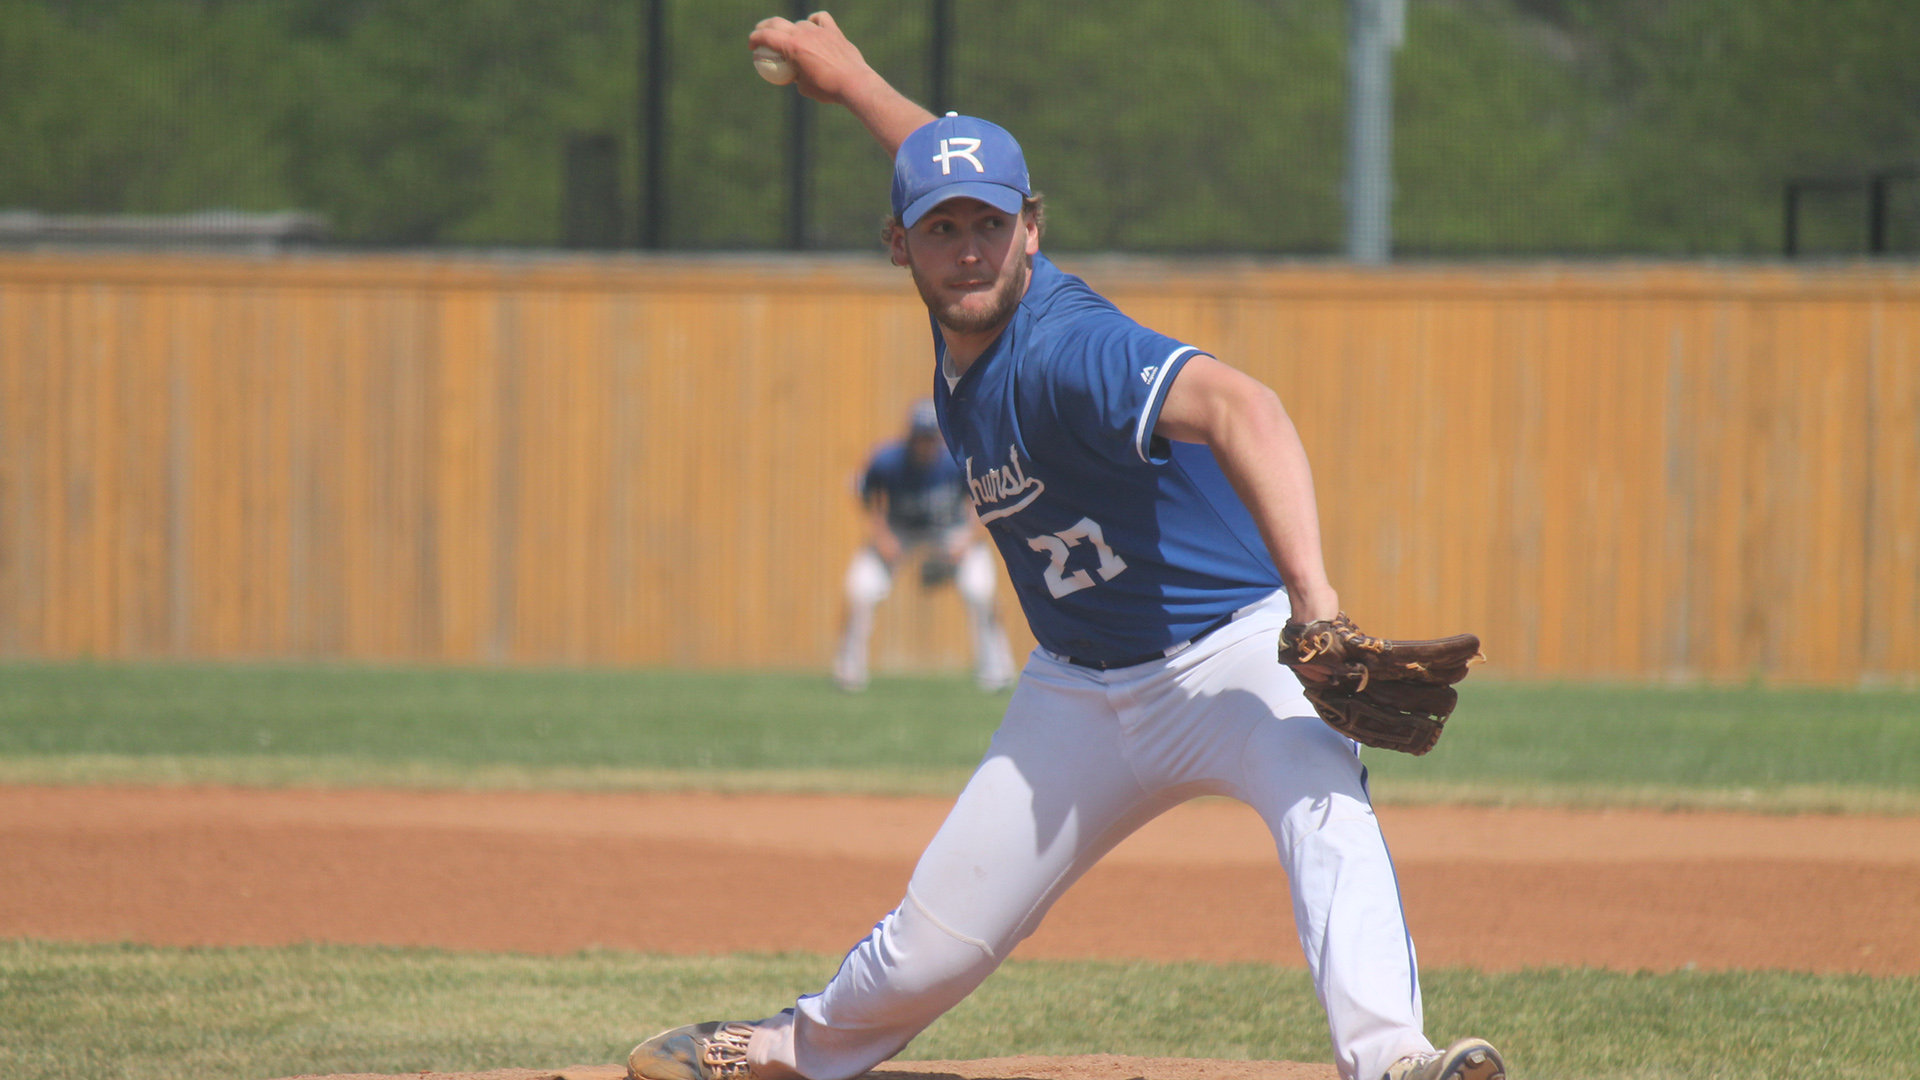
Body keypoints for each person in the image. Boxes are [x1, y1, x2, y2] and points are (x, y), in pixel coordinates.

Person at [629, 13, 1507, 1080]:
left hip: (1233, 654)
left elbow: (1246, 409)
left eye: (990, 225)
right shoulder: (964, 305)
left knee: (1323, 799)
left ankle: (1397, 1062)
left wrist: (1315, 606)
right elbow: (937, 153)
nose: (969, 248)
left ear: (1031, 231)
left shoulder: (1068, 349)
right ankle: (787, 1046)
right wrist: (854, 76)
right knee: (927, 951)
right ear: (900, 242)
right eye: (942, 227)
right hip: (1076, 697)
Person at [834, 399, 1017, 693]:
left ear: (939, 438)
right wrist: (882, 537)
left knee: (980, 591)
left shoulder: (957, 462)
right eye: (920, 437)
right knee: (861, 589)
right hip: (901, 530)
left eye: (930, 438)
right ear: (909, 437)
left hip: (951, 531)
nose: (925, 444)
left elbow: (983, 503)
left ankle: (997, 672)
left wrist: (967, 542)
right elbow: (867, 497)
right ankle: (848, 673)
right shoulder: (888, 461)